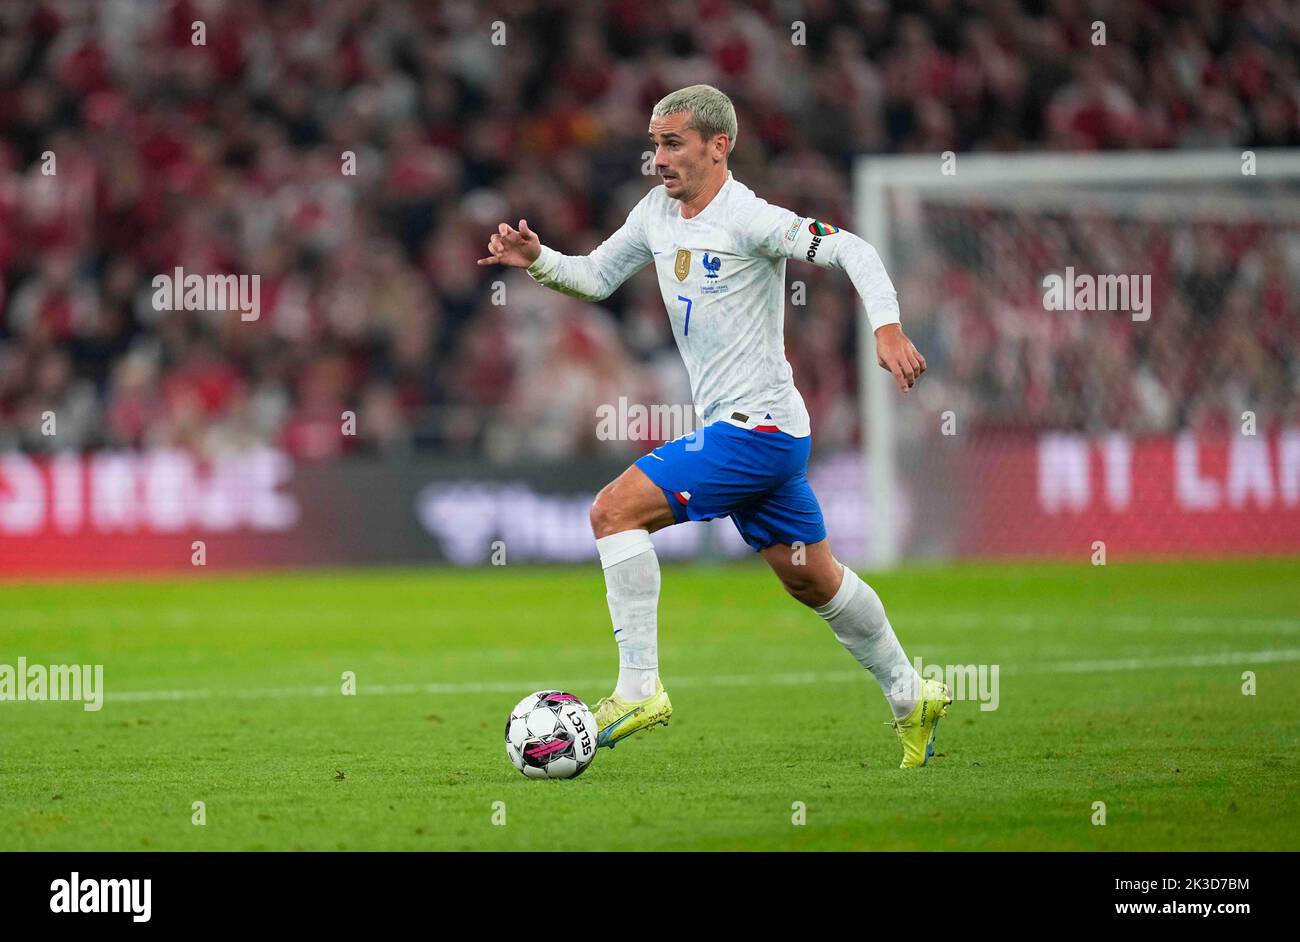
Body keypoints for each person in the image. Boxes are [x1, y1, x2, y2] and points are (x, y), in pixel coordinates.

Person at [478, 84, 950, 768]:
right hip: (770, 436)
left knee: (613, 512)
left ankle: (639, 689)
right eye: (654, 143)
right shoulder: (655, 212)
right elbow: (595, 278)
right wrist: (541, 261)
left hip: (754, 431)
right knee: (812, 580)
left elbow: (853, 250)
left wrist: (887, 328)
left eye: (672, 143)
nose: (658, 157)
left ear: (717, 146)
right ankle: (913, 696)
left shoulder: (751, 219)